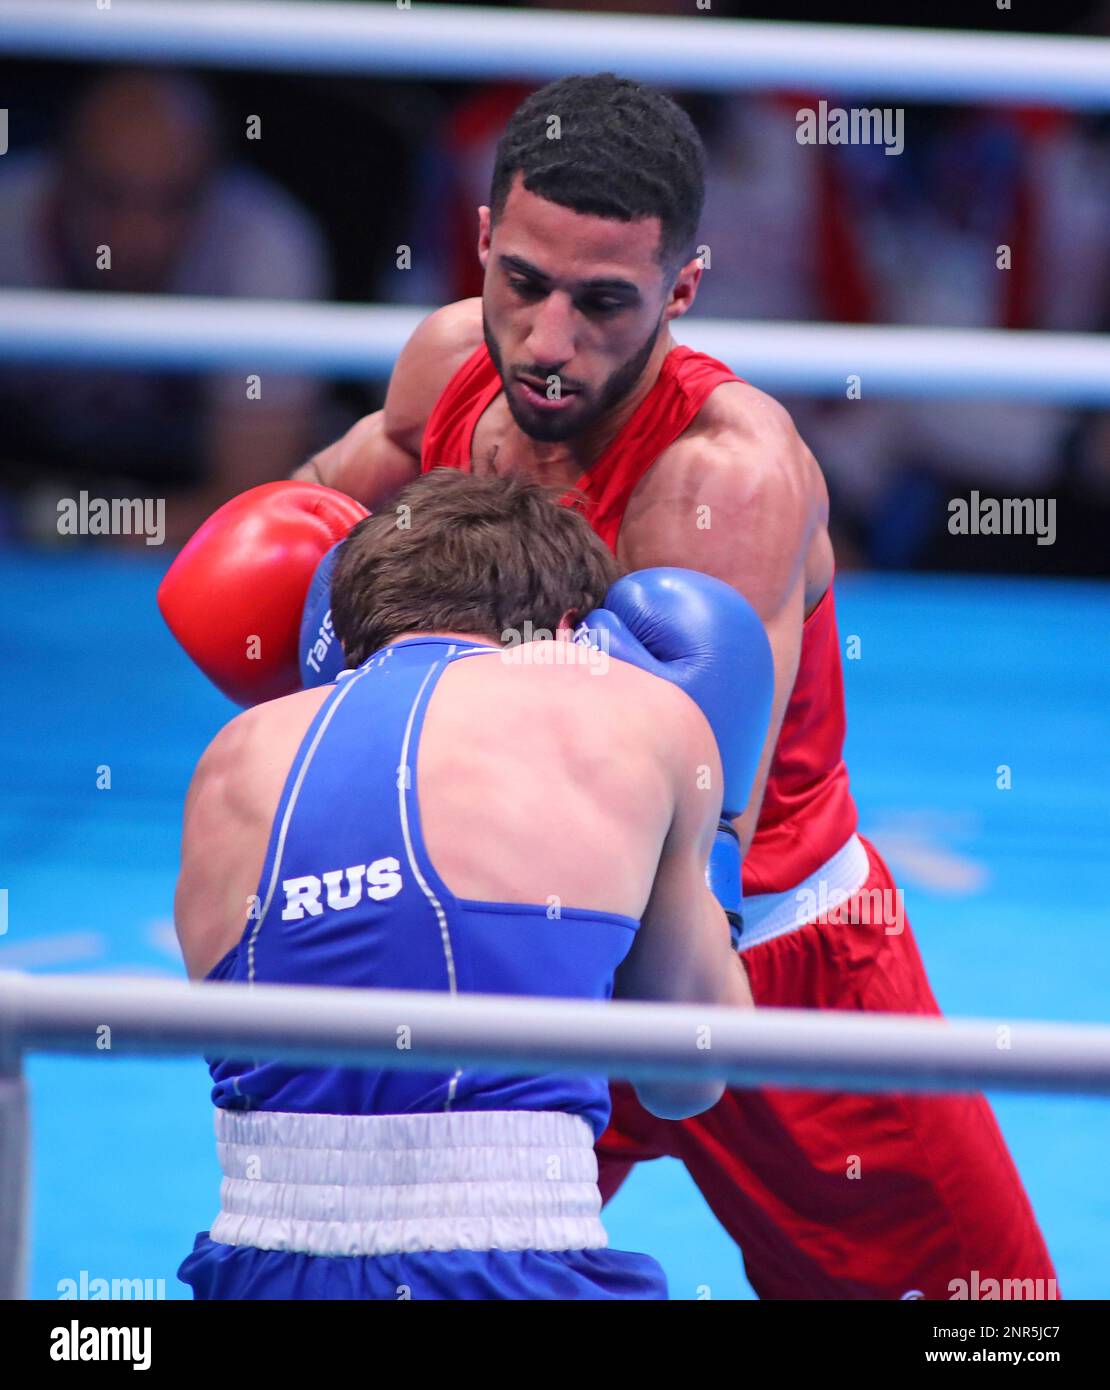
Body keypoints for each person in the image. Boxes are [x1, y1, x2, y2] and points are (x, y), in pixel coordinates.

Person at [293, 73, 1058, 1299]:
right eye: (524, 284)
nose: (549, 343)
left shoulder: (727, 484)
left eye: (604, 304)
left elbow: (698, 842)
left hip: (768, 957)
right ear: (483, 241)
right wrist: (284, 572)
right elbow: (302, 531)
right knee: (387, 1281)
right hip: (527, 937)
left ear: (682, 290)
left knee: (994, 1325)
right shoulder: (446, 365)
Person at [171, 467, 765, 1301]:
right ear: (572, 632)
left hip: (251, 1258)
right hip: (515, 1260)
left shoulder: (229, 759)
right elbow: (688, 1078)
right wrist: (719, 847)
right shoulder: (633, 710)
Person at [0, 69, 329, 544]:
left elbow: (249, 503)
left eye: (175, 200)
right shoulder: (7, 227)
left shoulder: (265, 245)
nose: (140, 237)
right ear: (60, 173)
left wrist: (57, 526)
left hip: (166, 513)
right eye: (110, 195)